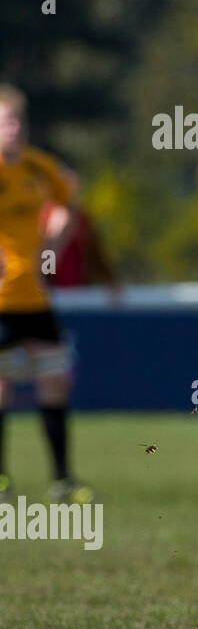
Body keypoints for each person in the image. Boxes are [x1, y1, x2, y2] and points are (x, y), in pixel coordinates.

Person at [0, 85, 93, 503]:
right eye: (5, 122)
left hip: (34, 297)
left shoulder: (39, 167)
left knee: (55, 381)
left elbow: (71, 202)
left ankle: (62, 480)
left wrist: (55, 242)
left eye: (18, 121)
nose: (13, 129)